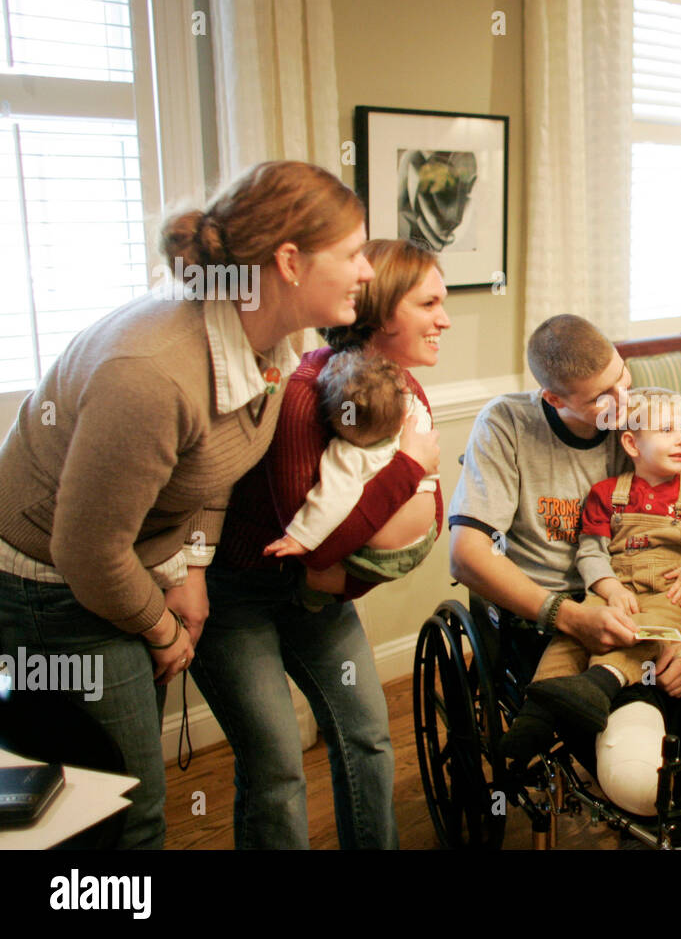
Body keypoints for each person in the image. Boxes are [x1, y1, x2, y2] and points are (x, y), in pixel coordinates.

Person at [0, 160, 372, 848]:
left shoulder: (270, 343)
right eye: (352, 254)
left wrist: (192, 569)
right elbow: (83, 551)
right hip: (51, 586)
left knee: (125, 802)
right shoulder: (151, 373)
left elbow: (208, 472)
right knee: (125, 812)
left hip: (122, 563)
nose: (367, 271)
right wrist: (162, 629)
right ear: (289, 262)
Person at [449, 315, 681, 816]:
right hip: (562, 614)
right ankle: (650, 778)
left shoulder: (651, 416)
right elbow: (467, 556)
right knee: (628, 737)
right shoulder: (507, 425)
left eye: (623, 379)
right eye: (599, 398)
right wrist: (570, 617)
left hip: (667, 603)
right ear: (555, 399)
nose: (622, 405)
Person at [192, 238, 448, 849]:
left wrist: (345, 579)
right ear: (384, 312)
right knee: (276, 765)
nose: (445, 318)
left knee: (366, 736)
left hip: (321, 598)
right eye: (430, 303)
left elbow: (429, 509)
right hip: (240, 595)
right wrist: (410, 465)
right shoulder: (310, 390)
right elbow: (316, 544)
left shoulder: (403, 386)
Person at [501, 388, 681, 761]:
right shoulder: (606, 494)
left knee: (647, 634)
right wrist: (609, 587)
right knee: (570, 638)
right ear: (632, 444)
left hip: (669, 593)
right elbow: (590, 550)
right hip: (616, 586)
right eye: (667, 429)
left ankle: (600, 684)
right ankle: (536, 716)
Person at [263, 347, 442, 608]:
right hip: (409, 548)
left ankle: (315, 594)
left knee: (318, 581)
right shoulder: (414, 423)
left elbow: (328, 502)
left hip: (376, 559)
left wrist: (298, 538)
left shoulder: (346, 454)